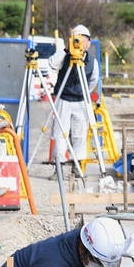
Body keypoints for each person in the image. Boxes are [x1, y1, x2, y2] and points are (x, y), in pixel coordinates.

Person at [48, 24, 99, 173]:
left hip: (81, 101)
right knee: (59, 133)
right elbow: (52, 63)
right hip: (63, 99)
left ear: (88, 43)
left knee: (79, 134)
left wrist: (83, 92)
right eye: (77, 40)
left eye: (83, 41)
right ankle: (58, 167)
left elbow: (93, 81)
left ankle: (77, 166)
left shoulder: (92, 61)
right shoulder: (64, 56)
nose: (80, 44)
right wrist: (66, 50)